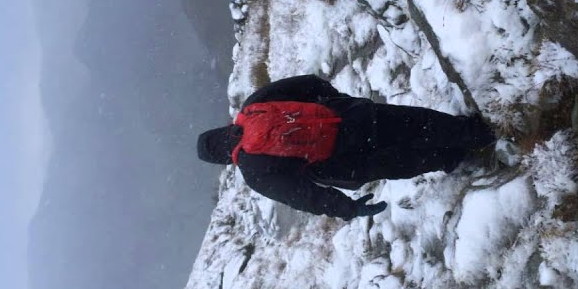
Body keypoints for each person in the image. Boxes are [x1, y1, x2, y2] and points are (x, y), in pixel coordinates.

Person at [196, 74, 495, 220]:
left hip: (346, 161)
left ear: (223, 159)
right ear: (222, 130)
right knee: (416, 123)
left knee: (407, 161)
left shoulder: (252, 170)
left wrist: (348, 207)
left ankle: (458, 157)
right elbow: (308, 83)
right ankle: (478, 131)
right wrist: (337, 102)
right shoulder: (253, 106)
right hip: (352, 117)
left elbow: (303, 195)